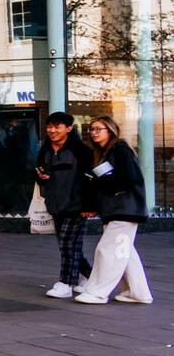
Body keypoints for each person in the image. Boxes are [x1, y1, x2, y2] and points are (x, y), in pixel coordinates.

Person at [75, 117, 153, 305]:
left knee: (108, 250)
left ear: (110, 130)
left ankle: (97, 292)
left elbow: (130, 178)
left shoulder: (120, 149)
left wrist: (100, 181)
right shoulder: (104, 153)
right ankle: (137, 293)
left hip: (124, 209)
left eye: (98, 129)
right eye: (91, 129)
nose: (94, 132)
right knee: (125, 253)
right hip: (116, 209)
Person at [33, 112, 94, 298]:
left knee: (68, 244)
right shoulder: (45, 150)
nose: (52, 130)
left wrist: (90, 205)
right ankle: (92, 278)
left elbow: (91, 179)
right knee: (69, 245)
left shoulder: (81, 150)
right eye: (49, 126)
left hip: (77, 205)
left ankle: (66, 283)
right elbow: (39, 173)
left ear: (68, 128)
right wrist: (40, 176)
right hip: (55, 204)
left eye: (57, 127)